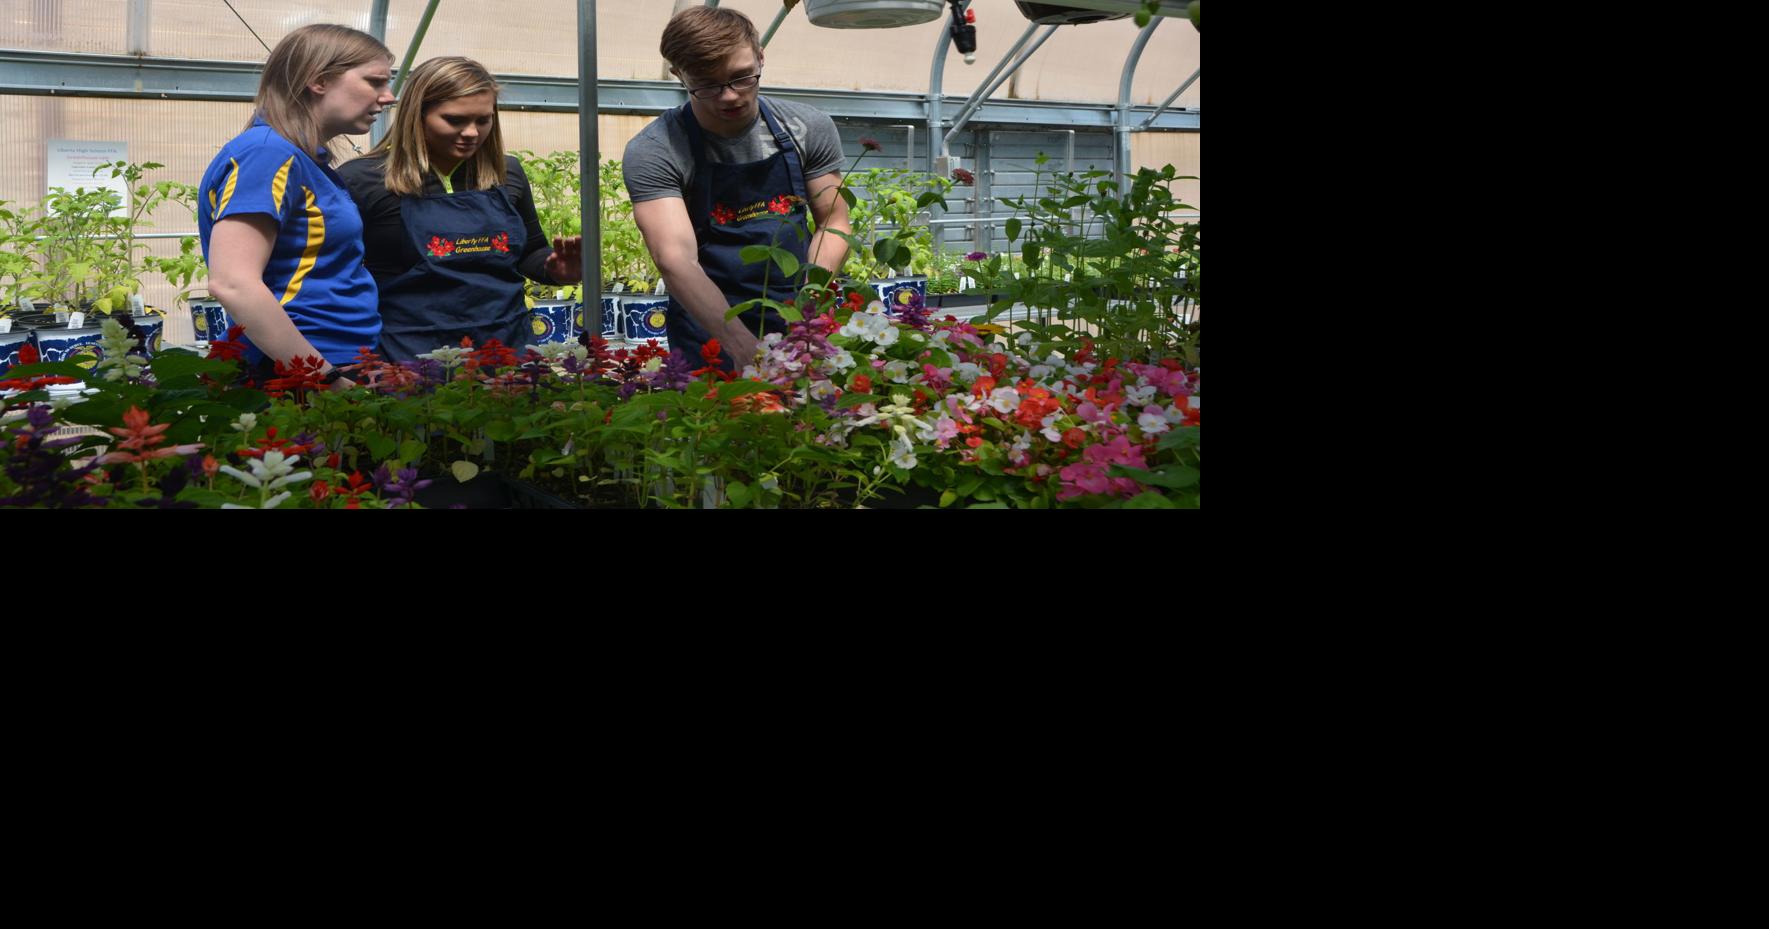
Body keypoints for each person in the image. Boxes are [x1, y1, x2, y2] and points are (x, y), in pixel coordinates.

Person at [624, 6, 851, 371]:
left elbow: (834, 221)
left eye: (742, 77)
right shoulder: (656, 149)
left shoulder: (807, 127)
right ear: (679, 74)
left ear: (761, 57)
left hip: (796, 312)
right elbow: (676, 258)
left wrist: (807, 307)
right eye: (707, 84)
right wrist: (739, 344)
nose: (729, 96)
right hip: (708, 328)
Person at [338, 56, 582, 362]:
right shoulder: (364, 180)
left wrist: (556, 269)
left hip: (507, 351)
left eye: (483, 120)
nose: (471, 133)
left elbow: (530, 252)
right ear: (417, 115)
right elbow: (336, 274)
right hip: (410, 358)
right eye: (454, 120)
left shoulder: (507, 174)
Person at [198, 23, 395, 388]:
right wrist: (325, 378)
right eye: (375, 81)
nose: (389, 96)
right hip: (300, 370)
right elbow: (233, 282)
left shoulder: (303, 159)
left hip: (328, 360)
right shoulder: (267, 153)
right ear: (318, 80)